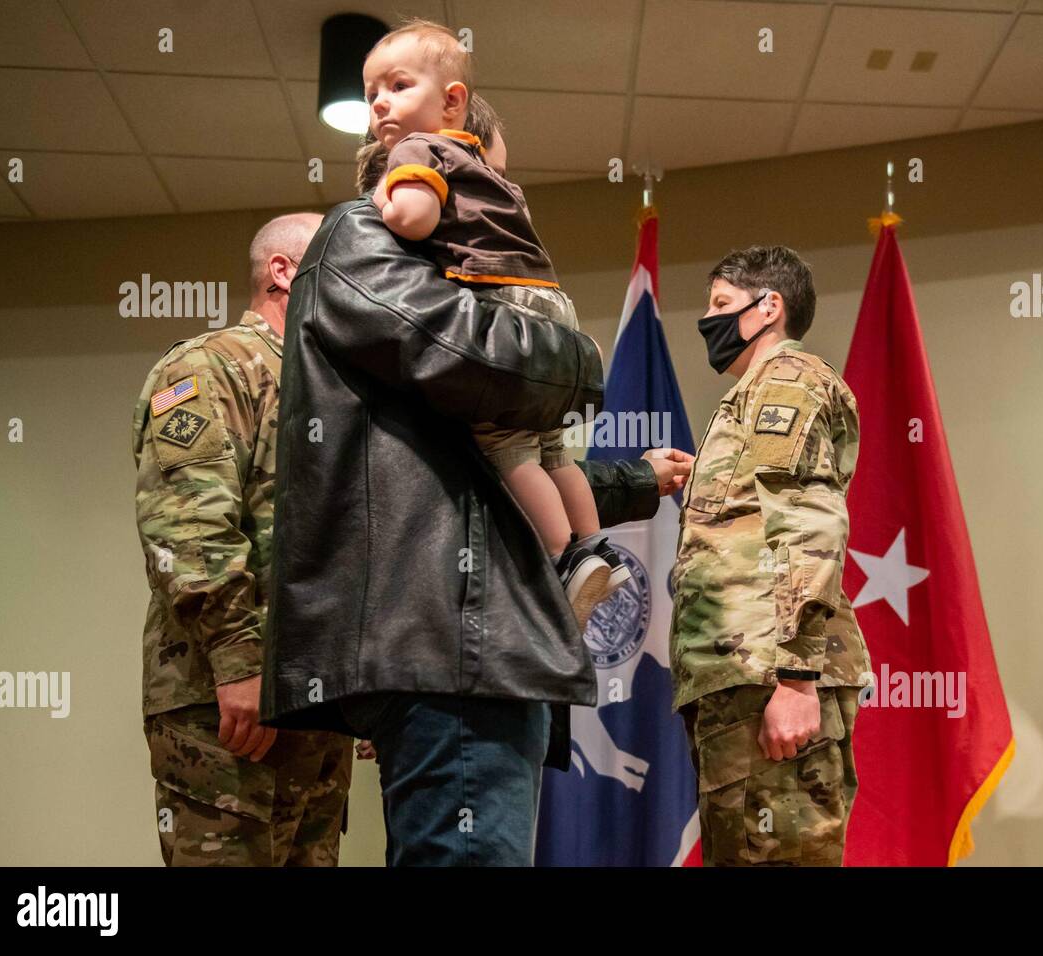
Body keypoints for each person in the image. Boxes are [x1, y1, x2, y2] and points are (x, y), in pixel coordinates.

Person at [259, 52, 693, 865]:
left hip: (465, 639)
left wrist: (630, 475)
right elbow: (478, 360)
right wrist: (580, 359)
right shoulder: (360, 235)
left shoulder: (436, 264)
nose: (496, 205)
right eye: (483, 178)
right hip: (449, 643)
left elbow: (490, 458)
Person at [363, 21, 621, 628]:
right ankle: (594, 542)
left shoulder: (417, 150)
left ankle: (561, 555)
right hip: (553, 305)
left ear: (451, 101)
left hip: (500, 305)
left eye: (398, 86)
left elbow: (415, 219)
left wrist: (384, 197)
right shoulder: (489, 167)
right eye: (373, 91)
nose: (380, 102)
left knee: (506, 444)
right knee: (554, 444)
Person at [133, 213, 354, 866]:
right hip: (225, 704)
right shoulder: (205, 368)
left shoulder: (330, 389)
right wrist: (240, 662)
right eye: (343, 259)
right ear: (283, 272)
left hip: (317, 706)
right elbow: (188, 523)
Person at [671, 245, 872, 866]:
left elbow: (809, 524)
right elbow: (762, 512)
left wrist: (796, 679)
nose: (710, 321)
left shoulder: (786, 382)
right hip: (739, 677)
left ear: (770, 307)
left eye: (722, 305)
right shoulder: (751, 396)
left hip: (769, 674)